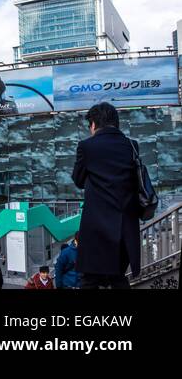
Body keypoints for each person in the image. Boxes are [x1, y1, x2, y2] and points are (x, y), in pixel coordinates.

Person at [72, 102, 146, 289]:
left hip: (96, 229)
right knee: (117, 277)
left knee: (89, 280)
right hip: (124, 228)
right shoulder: (132, 145)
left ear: (94, 124)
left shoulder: (86, 147)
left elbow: (78, 180)